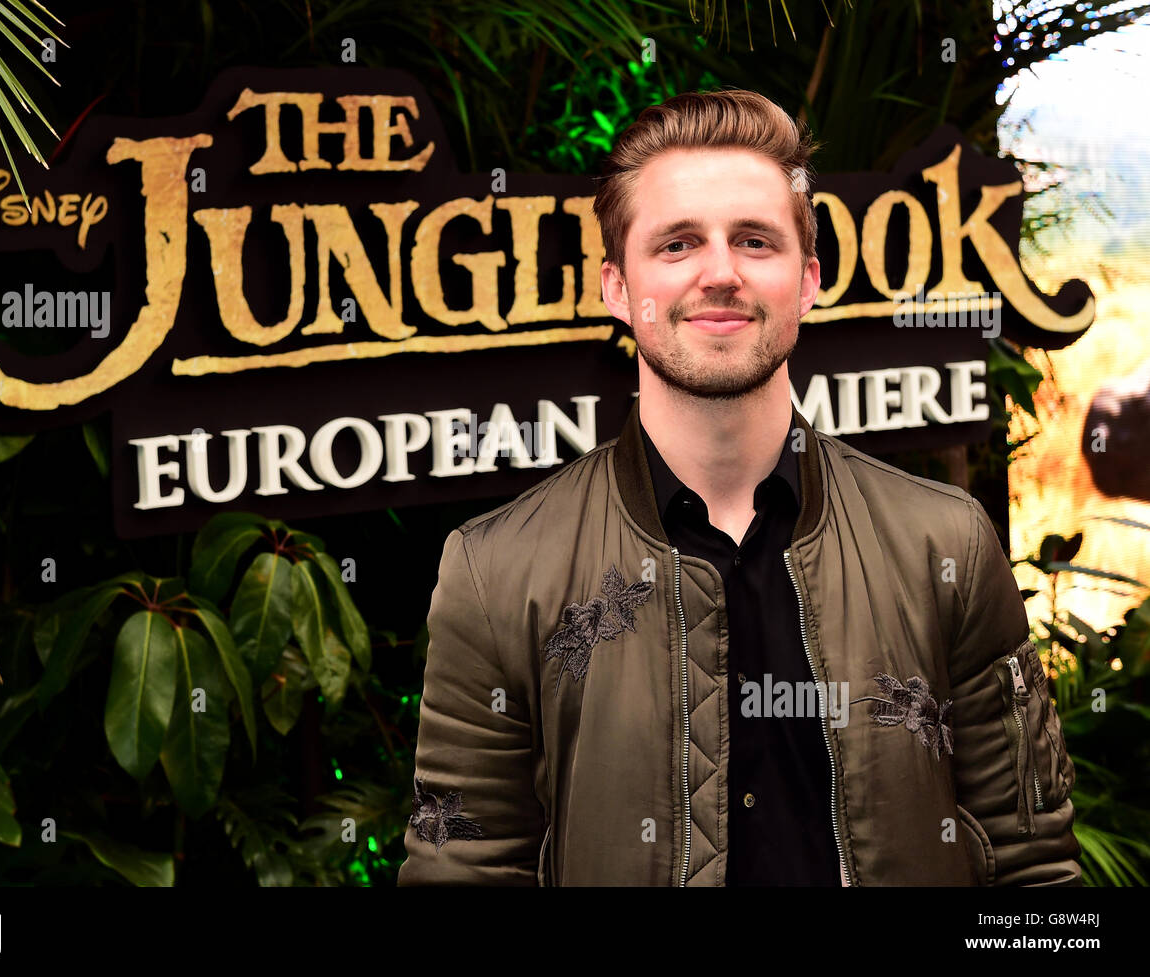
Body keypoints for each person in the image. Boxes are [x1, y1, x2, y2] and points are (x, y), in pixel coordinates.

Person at [397, 89, 1081, 885]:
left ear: (808, 279)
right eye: (678, 244)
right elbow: (463, 870)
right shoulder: (496, 572)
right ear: (617, 288)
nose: (720, 273)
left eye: (755, 241)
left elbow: (1033, 869)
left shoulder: (946, 545)